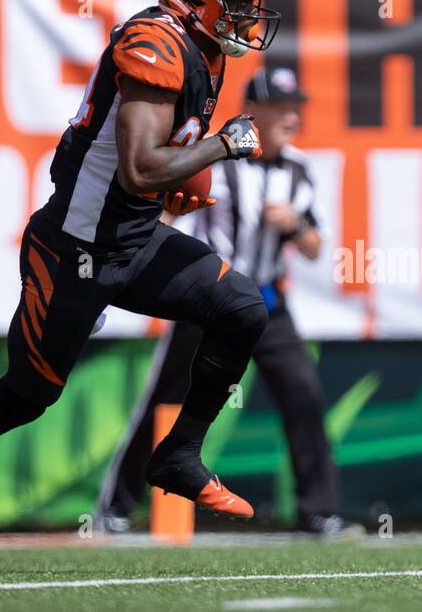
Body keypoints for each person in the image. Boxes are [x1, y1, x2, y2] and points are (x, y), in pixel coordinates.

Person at [0, 0, 281, 572]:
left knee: (241, 307)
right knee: (28, 395)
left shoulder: (204, 48)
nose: (248, 14)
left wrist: (186, 180)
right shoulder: (155, 42)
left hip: (134, 240)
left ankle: (176, 455)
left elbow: (152, 175)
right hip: (74, 250)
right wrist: (220, 148)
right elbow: (140, 171)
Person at [98, 66, 362, 539]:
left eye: (295, 109)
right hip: (210, 299)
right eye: (281, 109)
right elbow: (166, 207)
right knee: (166, 397)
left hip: (267, 303)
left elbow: (316, 246)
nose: (291, 118)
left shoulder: (300, 170)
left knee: (303, 395)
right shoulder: (217, 162)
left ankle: (318, 511)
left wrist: (295, 226)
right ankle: (117, 505)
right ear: (254, 112)